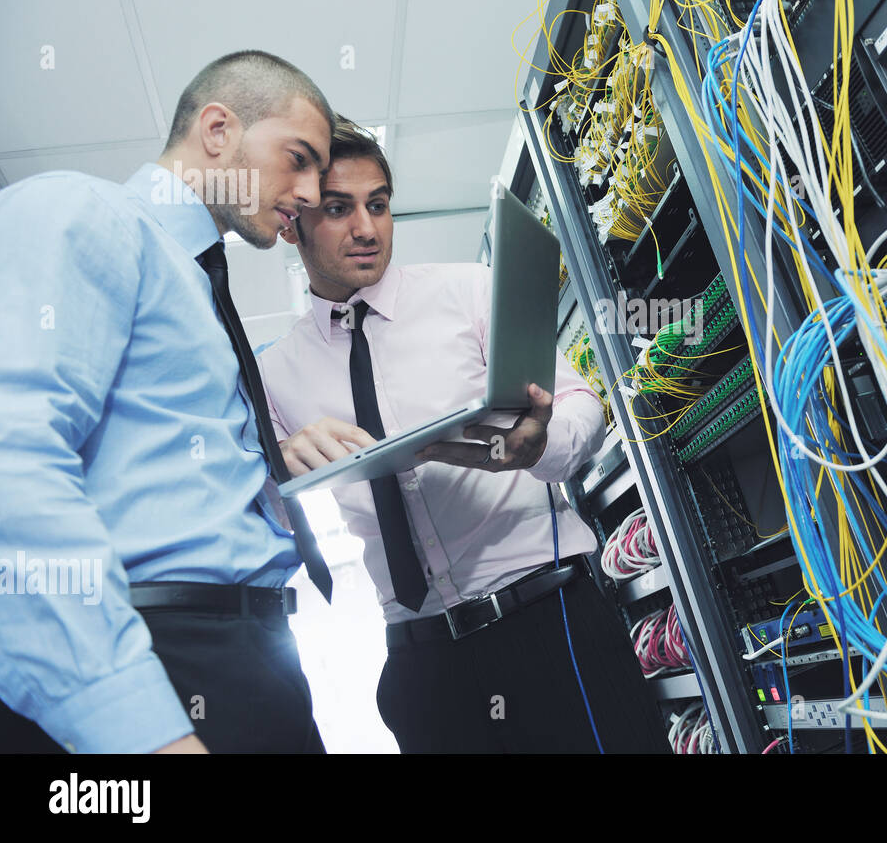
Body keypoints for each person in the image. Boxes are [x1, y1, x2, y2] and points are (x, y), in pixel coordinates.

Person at [258, 118, 669, 753]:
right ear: (291, 224)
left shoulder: (469, 292)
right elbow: (258, 512)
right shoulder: (275, 373)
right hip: (421, 662)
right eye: (337, 209)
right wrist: (278, 465)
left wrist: (541, 445)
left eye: (379, 205)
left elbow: (578, 405)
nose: (366, 229)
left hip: (546, 619)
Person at [0, 50, 338, 753]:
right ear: (218, 129)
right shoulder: (83, 211)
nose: (309, 192)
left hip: (248, 659)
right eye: (298, 157)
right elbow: (13, 460)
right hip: (162, 662)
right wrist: (137, 728)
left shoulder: (197, 288)